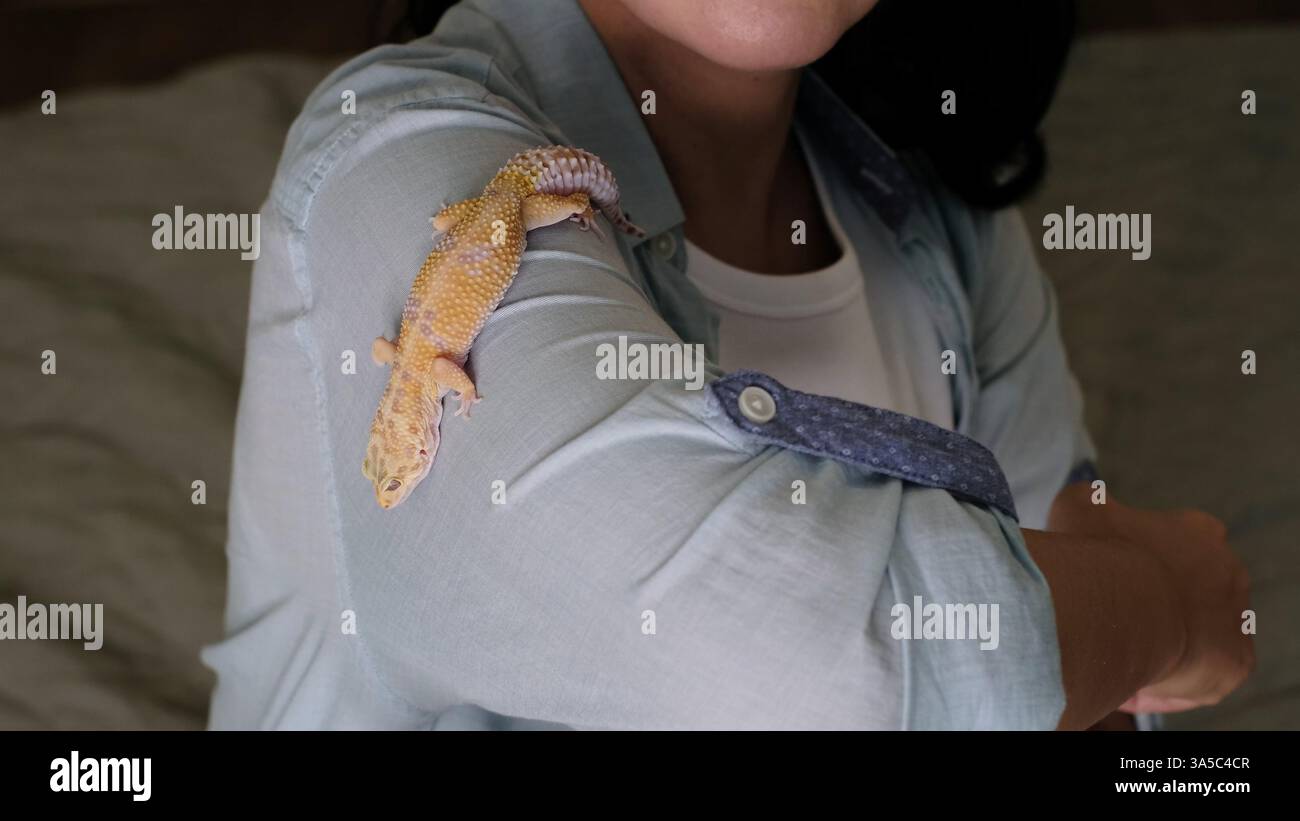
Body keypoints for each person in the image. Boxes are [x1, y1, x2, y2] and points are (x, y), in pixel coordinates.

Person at [203, 0, 1252, 729]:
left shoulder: (930, 204)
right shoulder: (386, 158)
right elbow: (817, 667)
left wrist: (1102, 624)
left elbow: (1070, 578)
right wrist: (1162, 605)